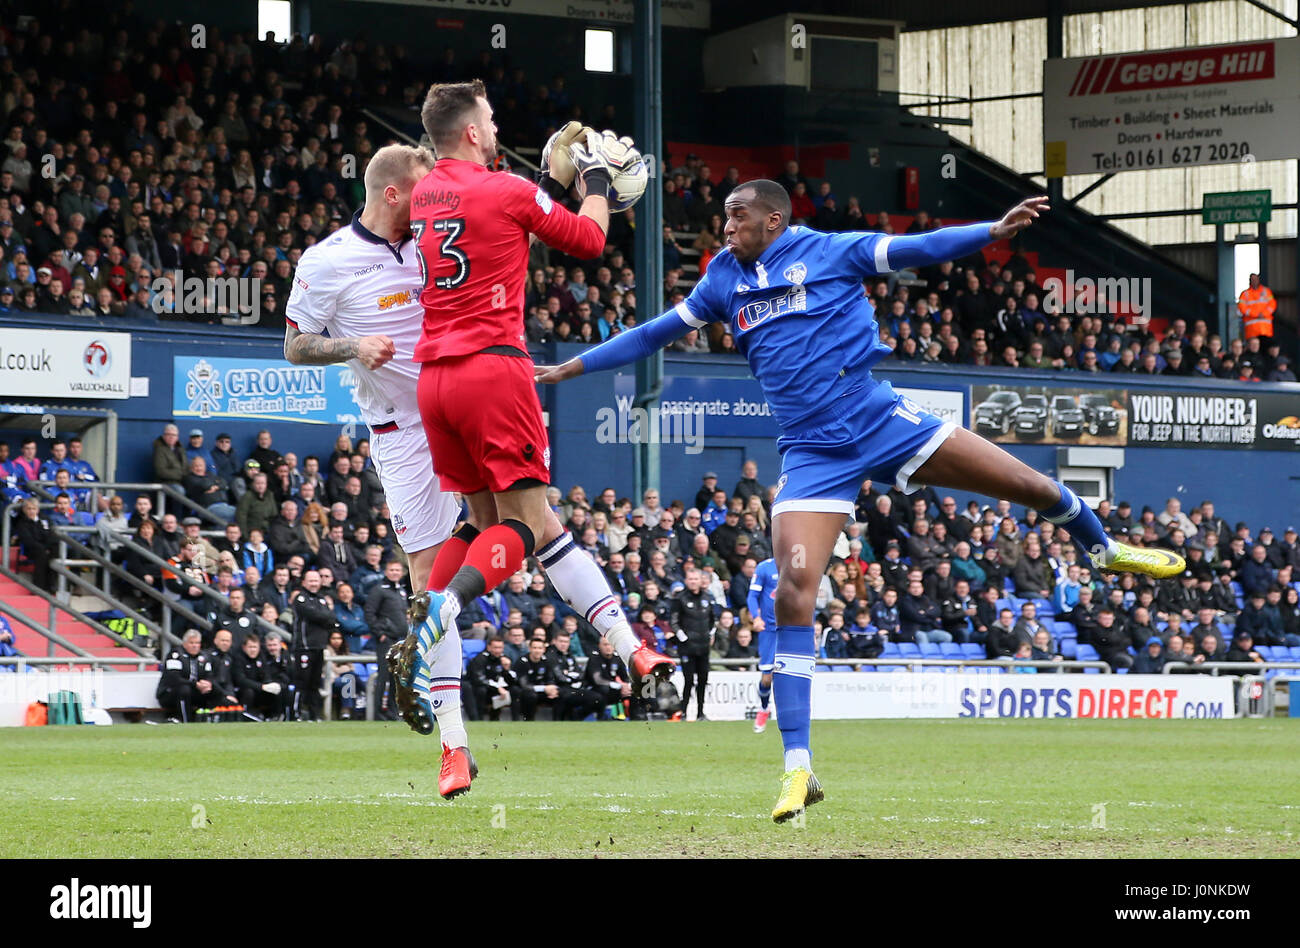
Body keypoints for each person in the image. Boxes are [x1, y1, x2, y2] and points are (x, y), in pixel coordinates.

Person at [537, 182, 1185, 822]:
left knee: (1032, 487)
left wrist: (988, 233)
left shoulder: (825, 250)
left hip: (881, 420)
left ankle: (1104, 551)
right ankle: (798, 767)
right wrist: (574, 368)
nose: (725, 226)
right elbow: (652, 333)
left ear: (772, 220)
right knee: (794, 589)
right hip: (813, 455)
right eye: (724, 216)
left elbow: (915, 249)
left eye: (737, 216)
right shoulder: (721, 280)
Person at [395, 83, 672, 761]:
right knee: (522, 529)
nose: (497, 130)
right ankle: (441, 610)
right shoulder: (505, 191)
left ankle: (437, 608)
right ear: (469, 132)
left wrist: (547, 180)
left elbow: (502, 215)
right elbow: (588, 237)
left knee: (477, 525)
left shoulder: (427, 192)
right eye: (490, 121)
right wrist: (600, 179)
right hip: (494, 370)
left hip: (436, 382)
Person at [289, 569, 340, 721]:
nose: (313, 584)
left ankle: (314, 714)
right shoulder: (300, 598)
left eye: (316, 580)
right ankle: (295, 714)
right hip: (304, 647)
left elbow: (331, 618)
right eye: (310, 580)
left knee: (315, 683)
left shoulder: (321, 599)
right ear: (304, 582)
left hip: (319, 647)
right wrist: (325, 617)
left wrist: (324, 617)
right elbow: (314, 615)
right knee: (302, 682)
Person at [364, 559, 410, 722]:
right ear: (386, 572)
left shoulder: (401, 592)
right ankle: (377, 712)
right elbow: (369, 613)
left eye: (397, 570)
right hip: (386, 639)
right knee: (383, 676)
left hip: (400, 640)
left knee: (397, 678)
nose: (395, 573)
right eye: (392, 570)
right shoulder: (378, 590)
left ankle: (392, 710)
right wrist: (380, 633)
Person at [670, 569, 716, 721]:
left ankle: (700, 713)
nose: (693, 581)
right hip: (687, 647)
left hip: (703, 646)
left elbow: (713, 619)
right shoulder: (679, 598)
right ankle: (683, 712)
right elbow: (674, 622)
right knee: (688, 680)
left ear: (700, 580)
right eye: (690, 579)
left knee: (703, 680)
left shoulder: (708, 597)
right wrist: (684, 638)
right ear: (686, 580)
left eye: (696, 579)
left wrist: (710, 634)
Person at [746, 555, 779, 732]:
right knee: (767, 677)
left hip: (791, 629)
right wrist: (756, 618)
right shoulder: (765, 567)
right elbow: (752, 596)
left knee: (792, 672)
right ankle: (764, 708)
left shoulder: (798, 567)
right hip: (770, 629)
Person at [155, 629, 215, 723]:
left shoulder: (204, 657)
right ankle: (186, 721)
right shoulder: (175, 655)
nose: (195, 646)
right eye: (191, 643)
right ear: (185, 643)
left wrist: (207, 683)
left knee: (212, 690)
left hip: (194, 690)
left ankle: (211, 720)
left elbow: (209, 674)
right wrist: (195, 684)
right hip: (169, 693)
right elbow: (174, 678)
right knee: (184, 690)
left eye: (197, 643)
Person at [467, 635, 522, 721]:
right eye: (495, 648)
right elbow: (478, 679)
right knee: (481, 690)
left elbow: (513, 680)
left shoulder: (504, 659)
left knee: (515, 690)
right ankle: (479, 719)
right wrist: (497, 687)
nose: (498, 651)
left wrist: (507, 669)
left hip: (498, 689)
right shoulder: (480, 659)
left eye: (500, 648)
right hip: (485, 688)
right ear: (489, 647)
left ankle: (516, 720)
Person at [232, 633, 284, 720]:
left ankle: (276, 716)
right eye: (250, 647)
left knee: (276, 690)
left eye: (255, 647)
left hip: (259, 689)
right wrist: (262, 687)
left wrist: (270, 684)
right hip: (243, 691)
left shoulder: (261, 658)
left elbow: (266, 674)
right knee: (249, 692)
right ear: (244, 647)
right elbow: (240, 680)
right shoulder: (238, 659)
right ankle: (246, 715)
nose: (253, 650)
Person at [582, 636, 633, 719]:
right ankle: (602, 717)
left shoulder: (617, 658)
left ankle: (636, 718)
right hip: (594, 689)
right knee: (604, 690)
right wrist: (618, 686)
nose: (608, 647)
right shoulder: (594, 658)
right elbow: (597, 680)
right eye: (605, 645)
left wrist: (626, 687)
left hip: (615, 690)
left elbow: (625, 678)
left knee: (633, 692)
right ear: (599, 646)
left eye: (610, 645)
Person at [1236, 272, 1275, 341]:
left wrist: (1264, 314)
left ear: (1258, 280)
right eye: (1252, 279)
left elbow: (1272, 304)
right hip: (1252, 330)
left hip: (1266, 330)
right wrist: (1256, 314)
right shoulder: (1245, 294)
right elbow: (1242, 308)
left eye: (1255, 279)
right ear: (1249, 281)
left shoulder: (1267, 291)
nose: (1254, 281)